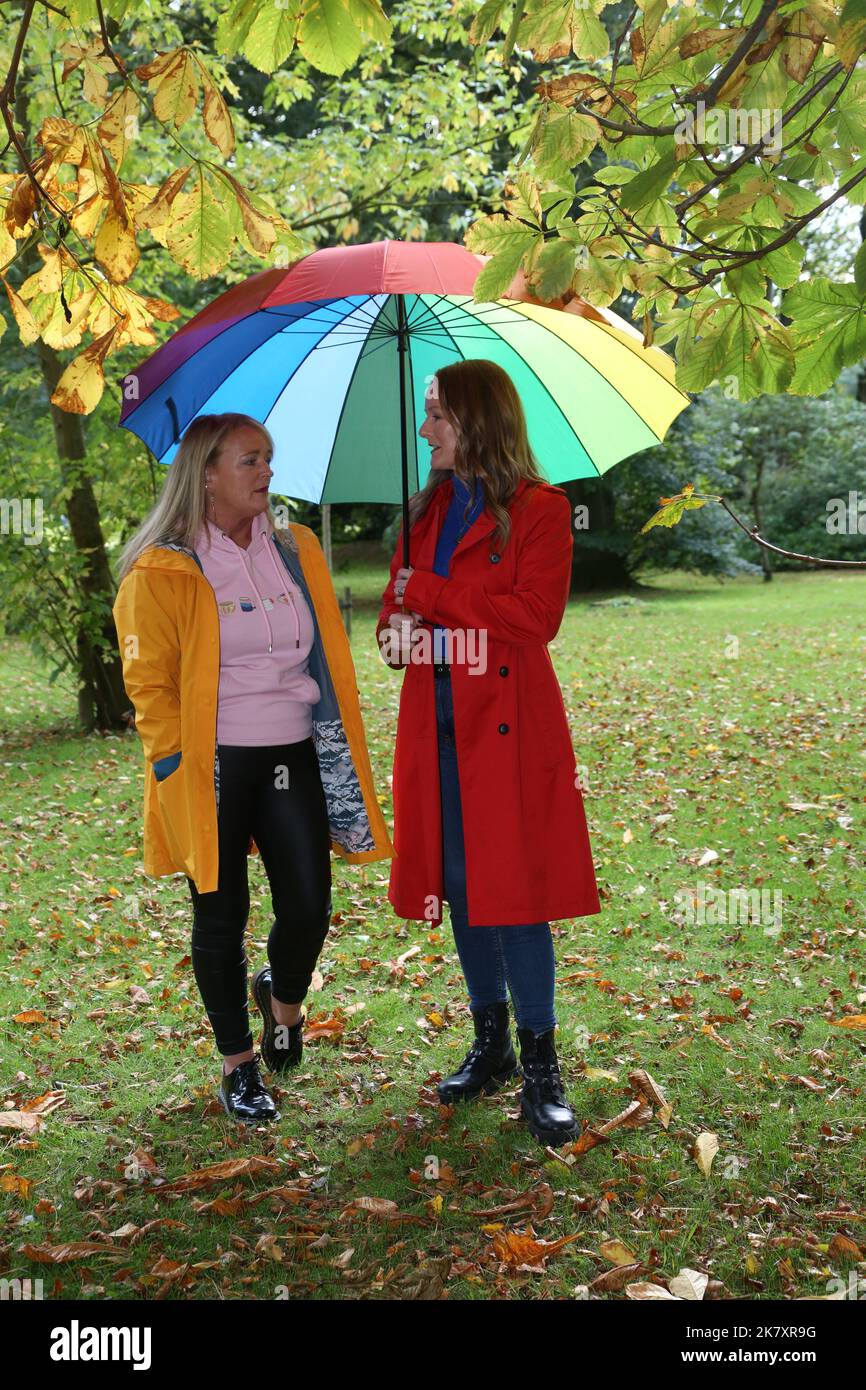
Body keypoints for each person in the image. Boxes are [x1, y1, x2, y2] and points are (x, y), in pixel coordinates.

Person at [113, 412, 393, 1124]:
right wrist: (177, 761)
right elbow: (148, 681)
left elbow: (320, 649)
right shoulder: (165, 566)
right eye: (249, 461)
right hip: (214, 762)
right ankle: (238, 1065)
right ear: (206, 474)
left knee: (308, 904)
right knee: (220, 913)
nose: (266, 472)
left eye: (267, 459)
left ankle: (283, 999)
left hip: (291, 749)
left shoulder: (295, 548)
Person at [376, 361, 602, 1146]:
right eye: (425, 412)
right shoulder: (422, 512)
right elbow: (392, 629)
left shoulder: (541, 509)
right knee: (462, 886)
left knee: (519, 894)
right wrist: (397, 634)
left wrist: (429, 597)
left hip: (507, 728)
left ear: (478, 419)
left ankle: (542, 1063)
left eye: (436, 413)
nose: (424, 427)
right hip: (433, 723)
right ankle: (494, 1044)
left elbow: (535, 617)